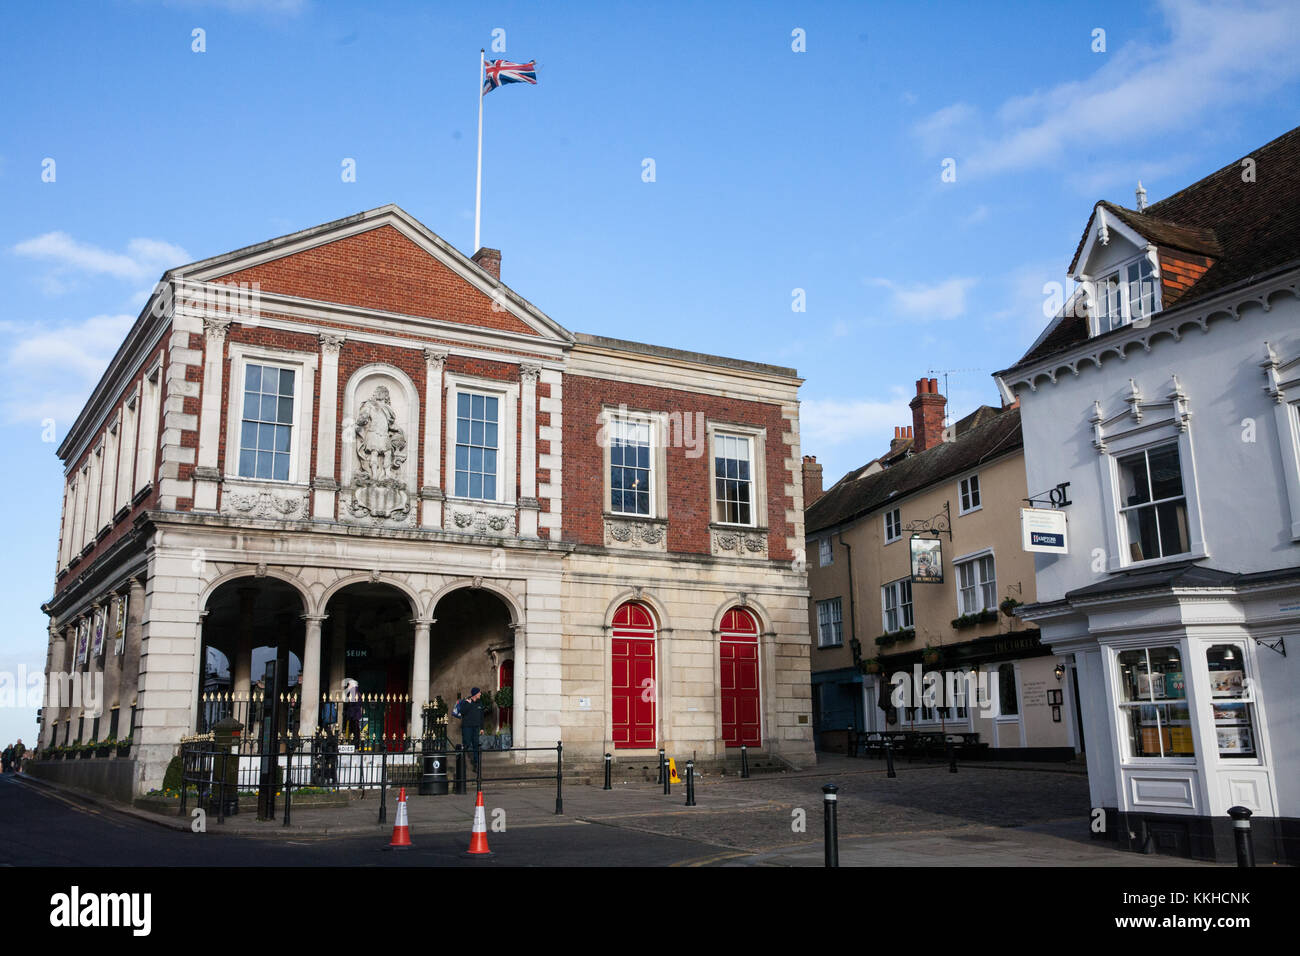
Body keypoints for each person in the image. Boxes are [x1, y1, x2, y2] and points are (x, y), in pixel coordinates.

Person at [452, 688, 485, 774]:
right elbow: (462, 712)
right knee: (466, 744)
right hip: (467, 727)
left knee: (476, 746)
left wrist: (482, 728)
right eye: (479, 693)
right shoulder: (466, 701)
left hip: (476, 728)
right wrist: (469, 704)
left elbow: (481, 717)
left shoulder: (480, 703)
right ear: (475, 694)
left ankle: (476, 765)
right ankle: (461, 762)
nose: (480, 694)